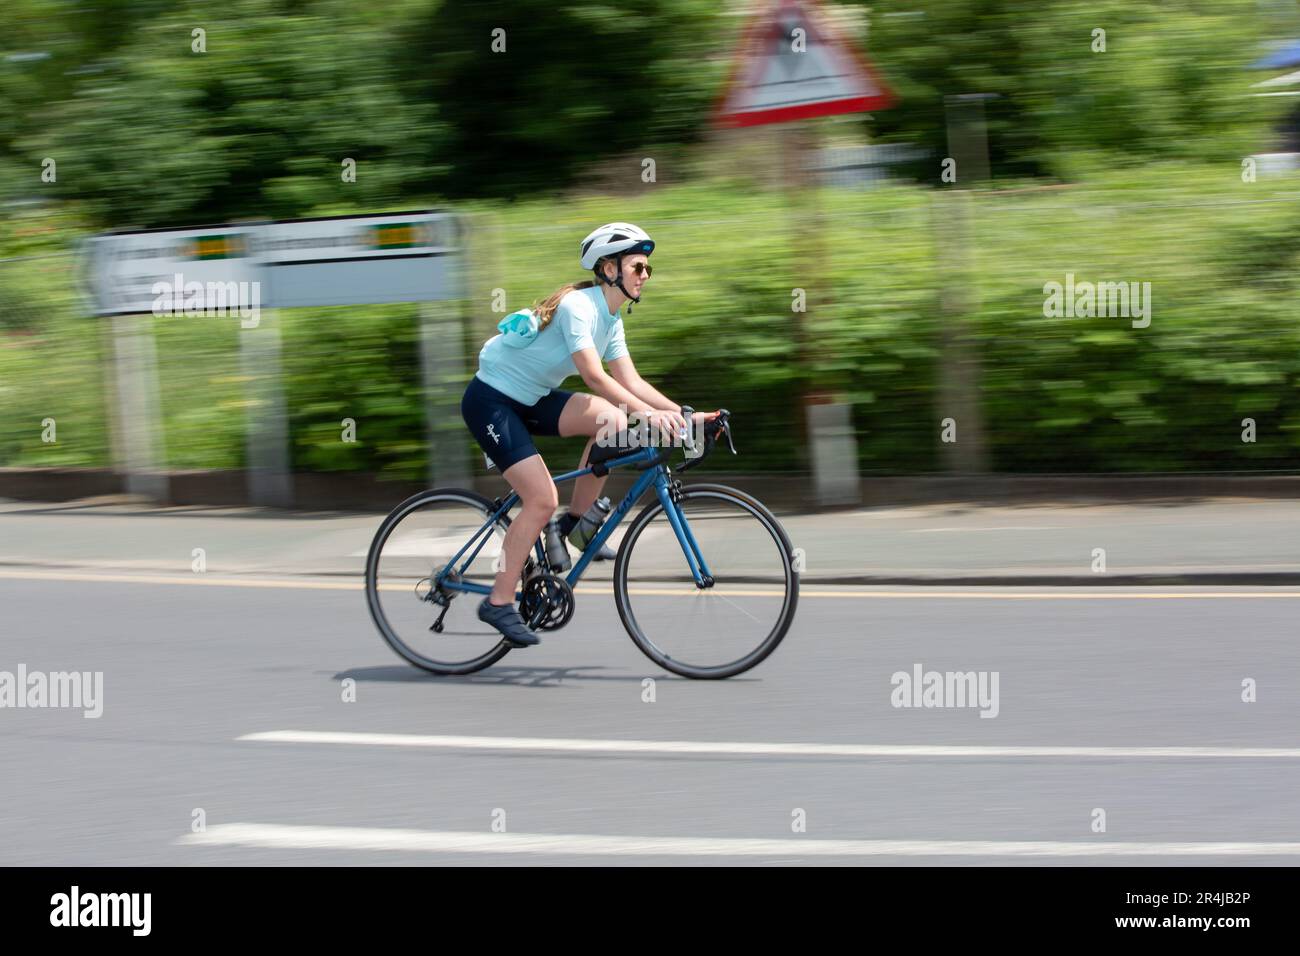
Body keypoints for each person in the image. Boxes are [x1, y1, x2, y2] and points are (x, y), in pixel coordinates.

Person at [460, 222, 718, 647]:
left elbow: (631, 382)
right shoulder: (579, 307)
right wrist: (652, 418)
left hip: (529, 397)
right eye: (638, 267)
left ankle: (576, 527)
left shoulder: (611, 320)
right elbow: (594, 377)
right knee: (541, 498)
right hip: (491, 401)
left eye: (648, 269)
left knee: (613, 423)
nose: (645, 276)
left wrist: (687, 417)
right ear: (609, 268)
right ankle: (499, 600)